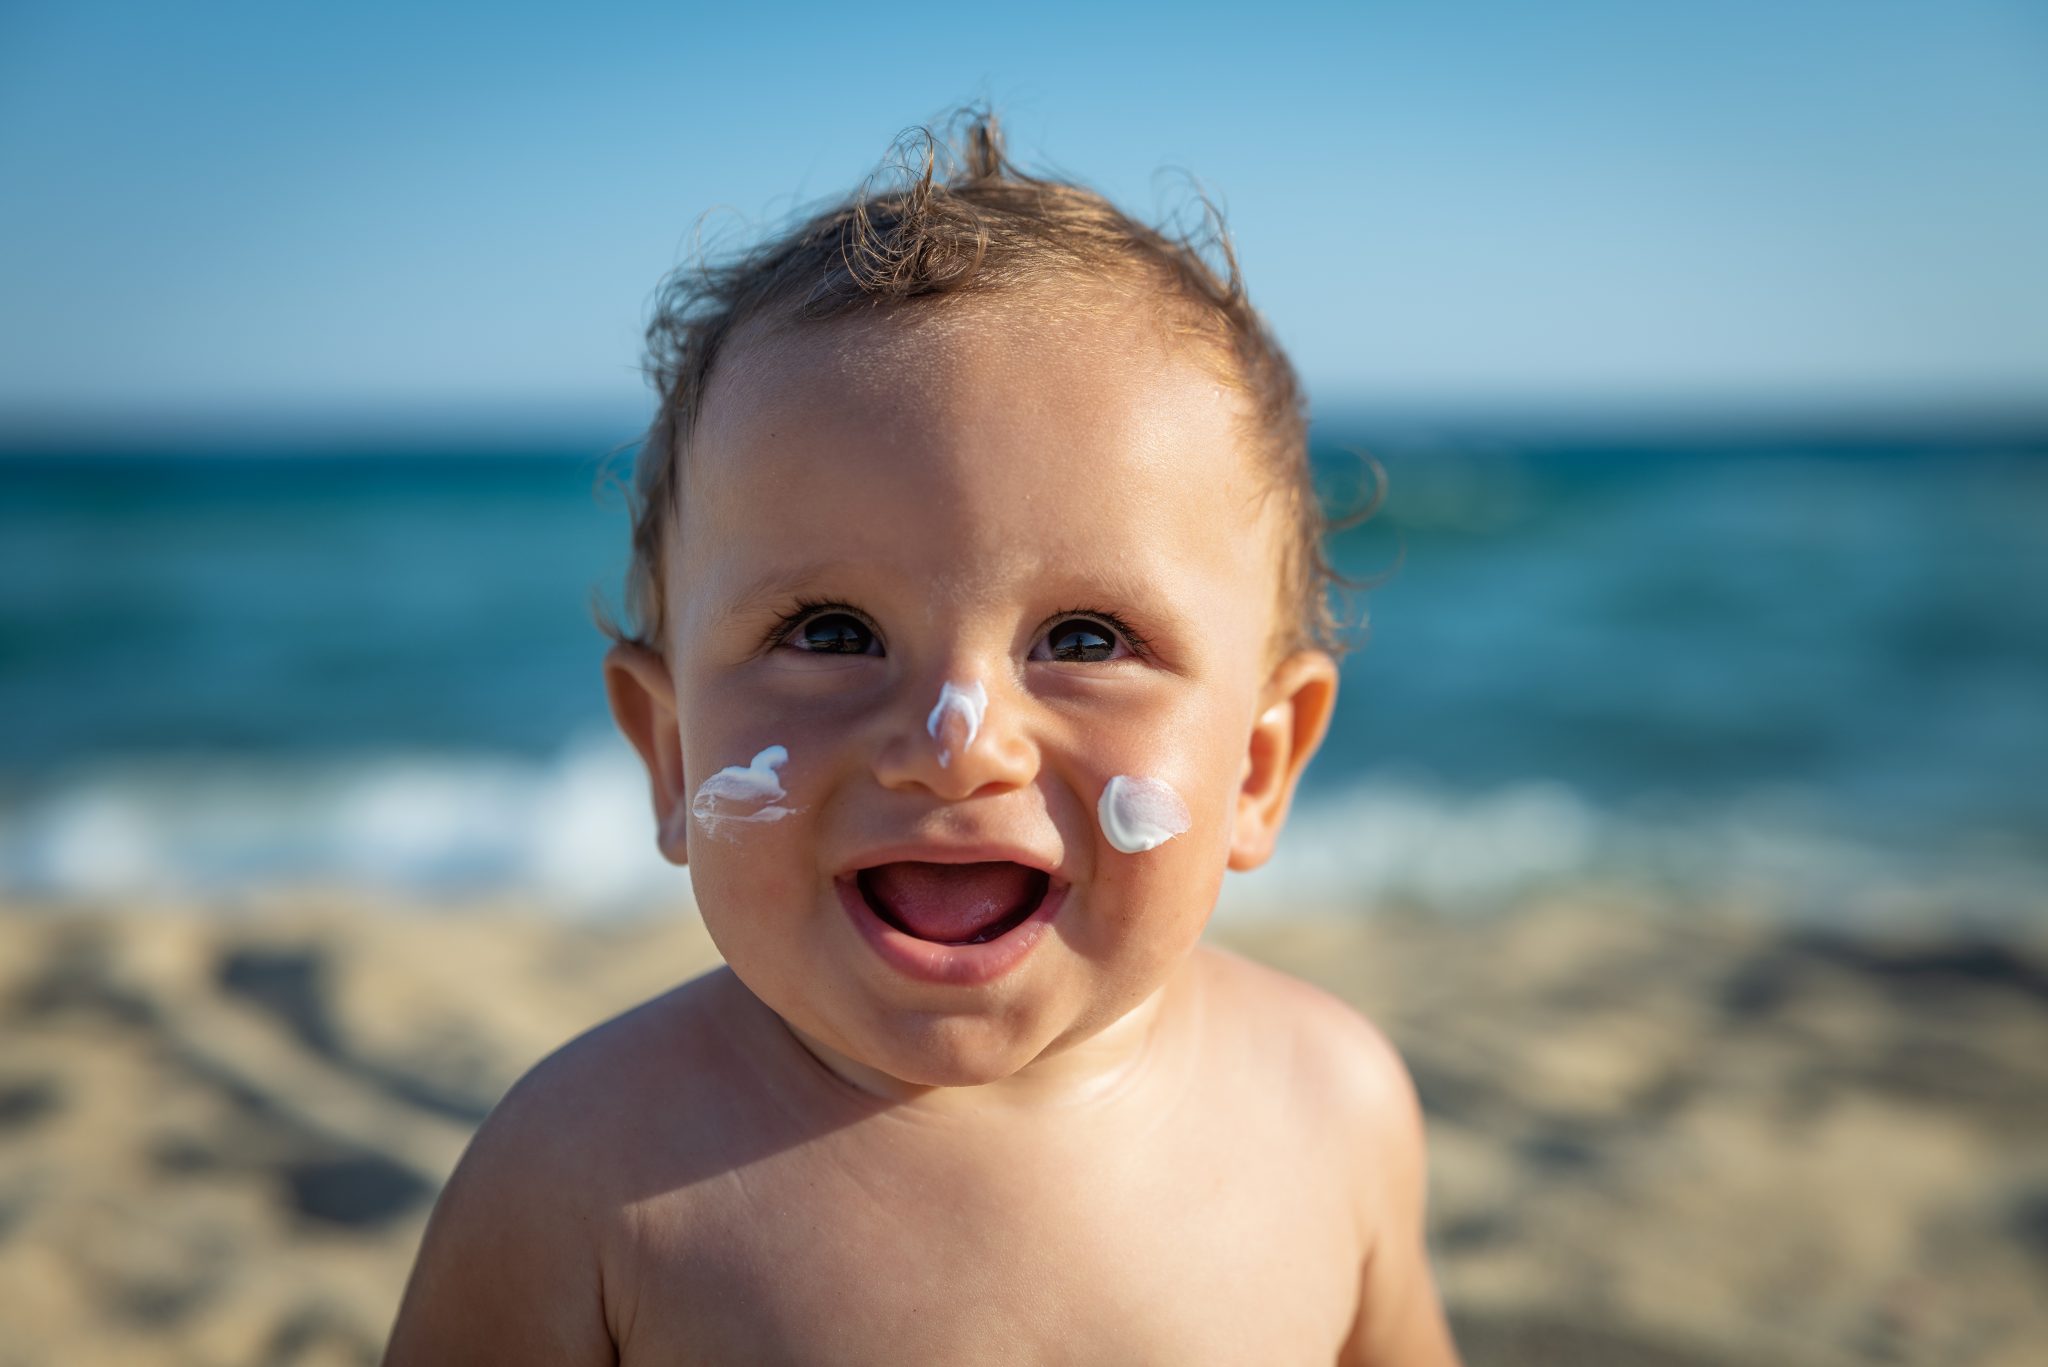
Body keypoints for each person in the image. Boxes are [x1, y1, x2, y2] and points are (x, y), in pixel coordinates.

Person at [383, 110, 1463, 1366]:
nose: (955, 744)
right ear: (671, 756)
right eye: (832, 631)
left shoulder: (1329, 1104)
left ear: (1259, 767)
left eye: (1085, 639)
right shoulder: (585, 1170)